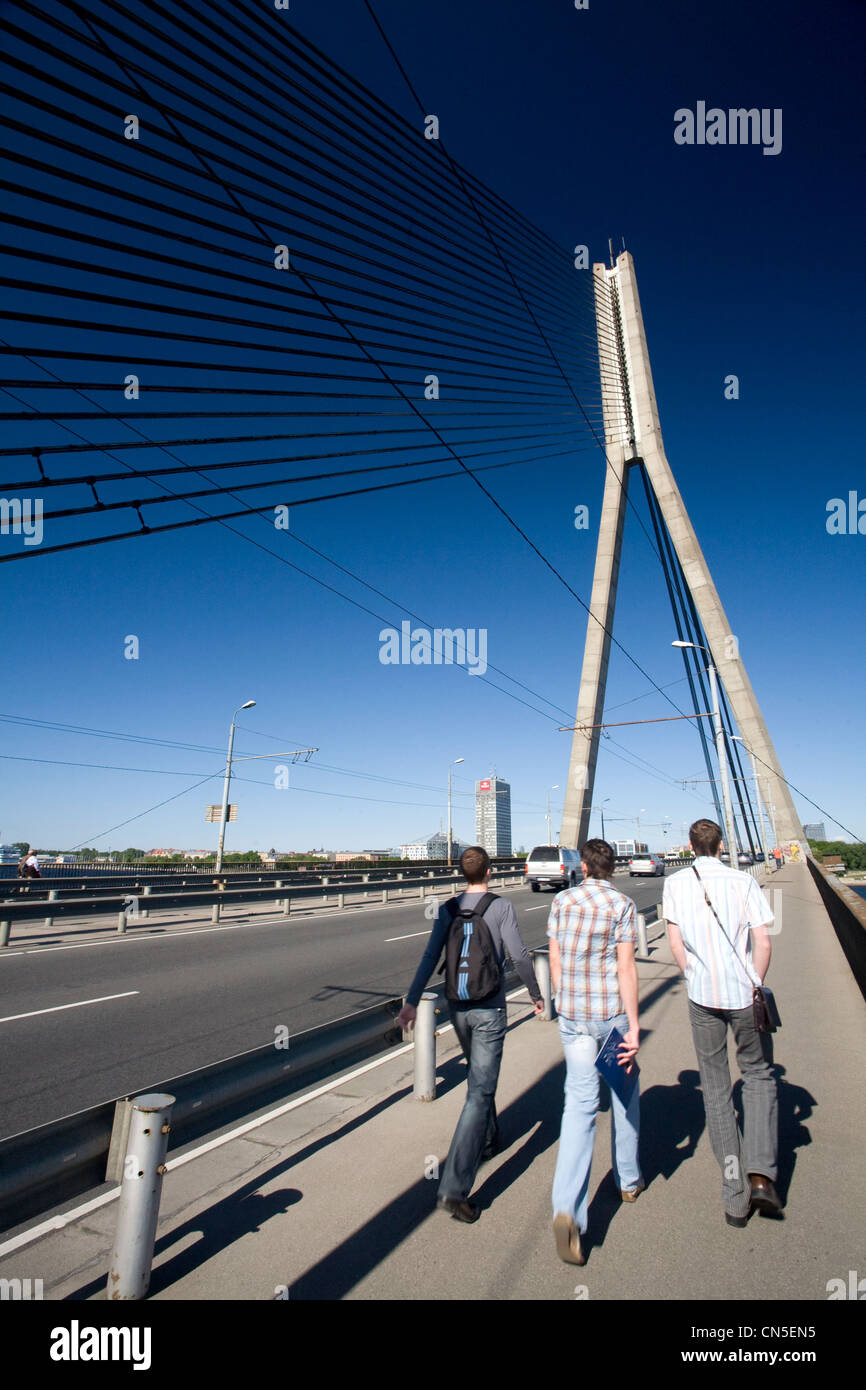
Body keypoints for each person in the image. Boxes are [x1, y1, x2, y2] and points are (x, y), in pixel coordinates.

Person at [397, 845, 544, 1223]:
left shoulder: (446, 909)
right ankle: (453, 1189)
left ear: (462, 873)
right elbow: (519, 955)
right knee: (479, 1091)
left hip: (457, 1007)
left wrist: (412, 1001)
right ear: (490, 872)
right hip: (490, 1007)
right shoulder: (501, 907)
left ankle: (490, 1139)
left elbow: (430, 957)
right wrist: (535, 994)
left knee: (480, 1082)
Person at [663, 818, 781, 1227]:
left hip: (702, 996)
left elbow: (676, 942)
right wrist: (756, 983)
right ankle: (762, 1175)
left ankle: (734, 1195)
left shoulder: (676, 884)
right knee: (759, 1076)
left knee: (715, 1091)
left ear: (690, 846)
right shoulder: (743, 882)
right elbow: (763, 942)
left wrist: (692, 975)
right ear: (722, 844)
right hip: (744, 995)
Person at [547, 838, 642, 1266]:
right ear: (613, 868)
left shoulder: (562, 902)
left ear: (583, 867)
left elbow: (554, 956)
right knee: (624, 1094)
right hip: (609, 1017)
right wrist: (635, 1025)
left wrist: (560, 1000)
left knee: (579, 1108)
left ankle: (567, 1207)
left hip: (573, 1016)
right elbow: (626, 967)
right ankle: (628, 1178)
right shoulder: (622, 905)